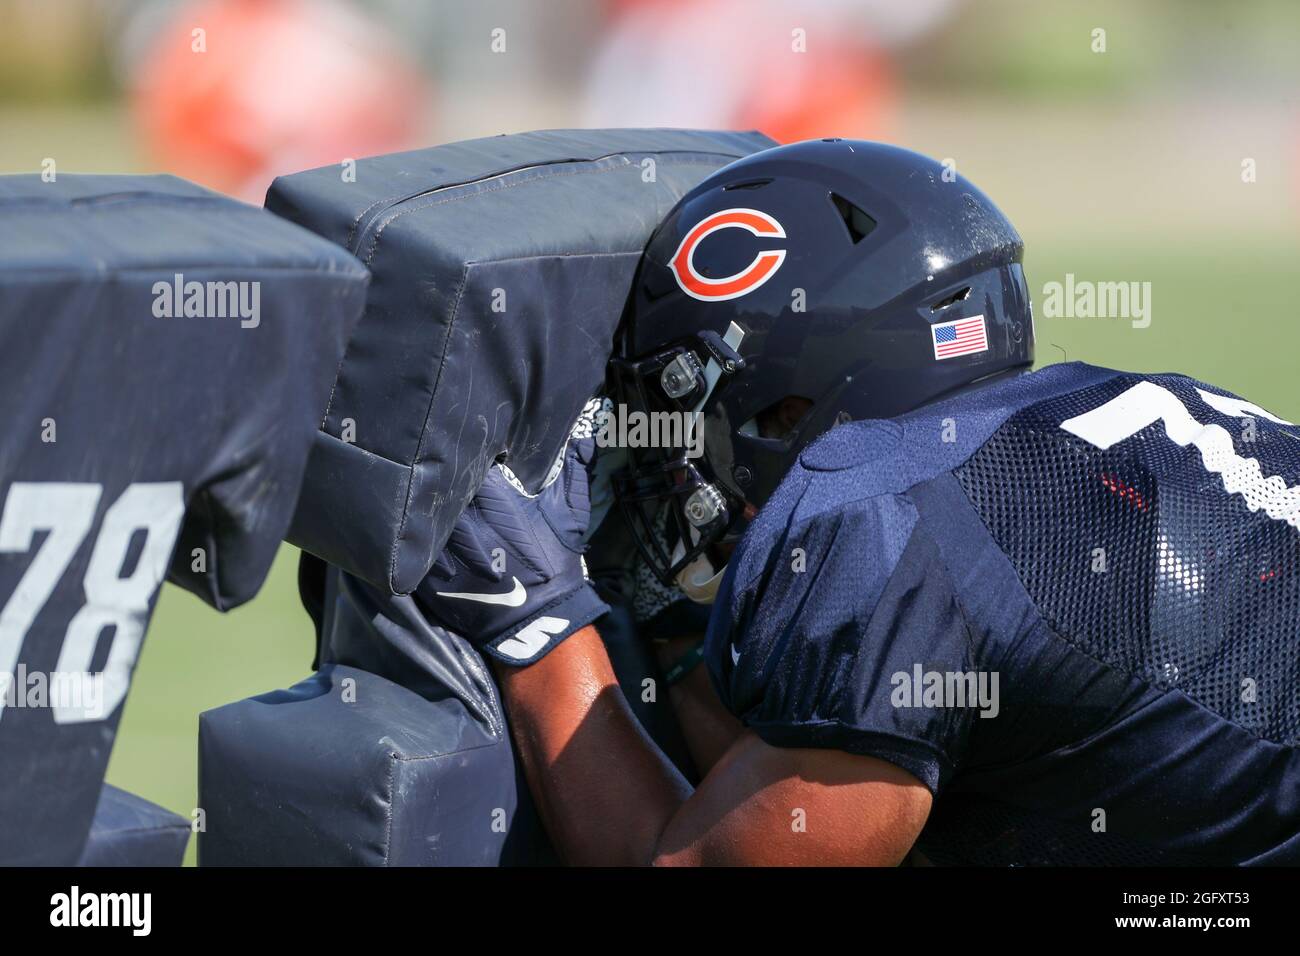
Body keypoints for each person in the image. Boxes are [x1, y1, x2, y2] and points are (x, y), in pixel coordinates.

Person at [422, 139, 1300, 865]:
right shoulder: (1107, 420)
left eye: (683, 408)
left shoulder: (881, 509)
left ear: (786, 405)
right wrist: (683, 641)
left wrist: (536, 625)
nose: (673, 455)